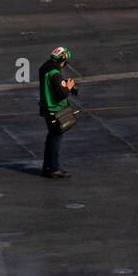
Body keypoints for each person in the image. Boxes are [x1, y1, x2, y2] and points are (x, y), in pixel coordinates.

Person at [38, 45, 77, 178]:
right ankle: (53, 168)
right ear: (63, 60)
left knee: (51, 138)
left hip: (47, 109)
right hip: (54, 110)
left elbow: (52, 86)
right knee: (55, 138)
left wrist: (63, 83)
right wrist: (69, 87)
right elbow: (62, 94)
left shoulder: (45, 68)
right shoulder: (55, 74)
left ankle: (48, 166)